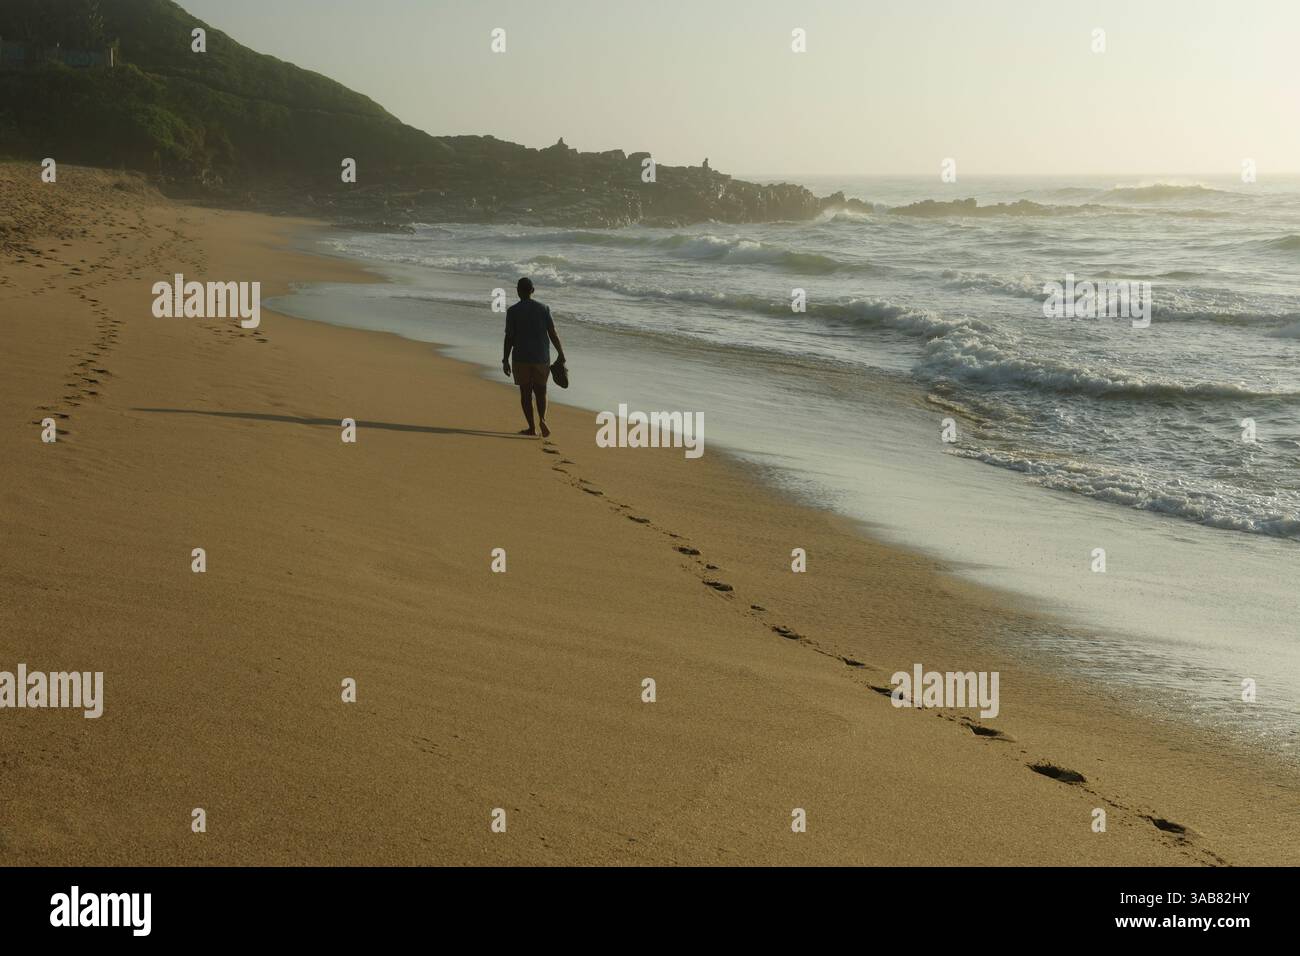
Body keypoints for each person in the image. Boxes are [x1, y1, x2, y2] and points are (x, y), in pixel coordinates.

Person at [502, 277, 565, 437]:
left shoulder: (513, 311)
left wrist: (505, 359)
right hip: (541, 357)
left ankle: (531, 427)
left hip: (521, 357)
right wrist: (561, 353)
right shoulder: (544, 309)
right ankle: (542, 419)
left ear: (518, 291)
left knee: (525, 393)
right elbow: (553, 333)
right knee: (541, 391)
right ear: (533, 290)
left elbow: (509, 337)